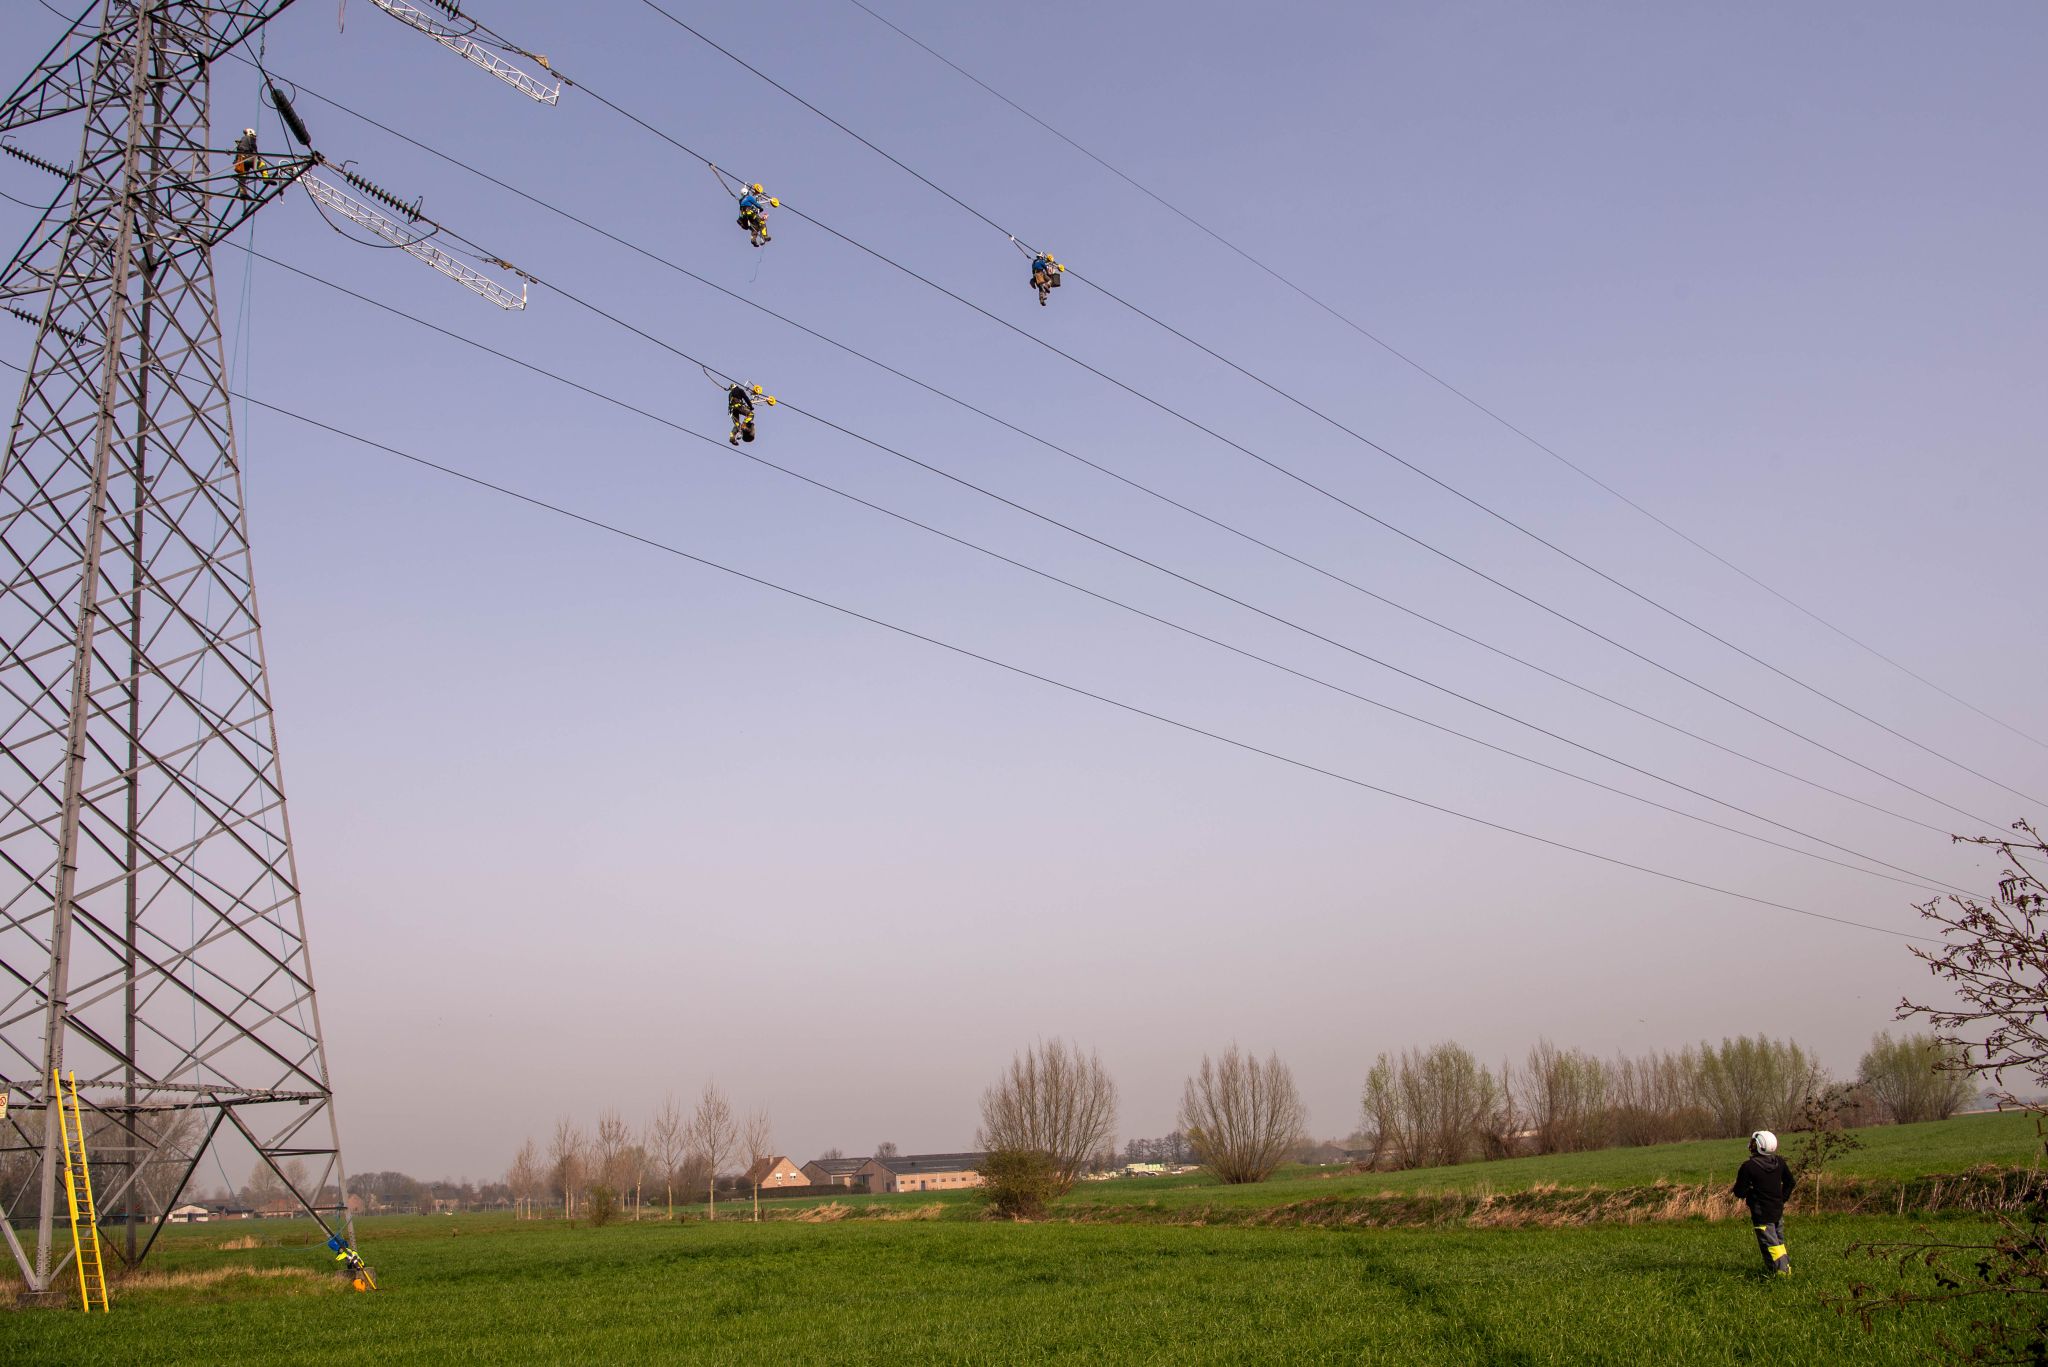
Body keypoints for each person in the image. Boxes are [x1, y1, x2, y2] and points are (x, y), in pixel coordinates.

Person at [1732, 1129, 1797, 1275]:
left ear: (1759, 1146)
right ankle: (1786, 1269)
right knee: (1779, 1243)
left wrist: (1750, 1192)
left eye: (1753, 1143)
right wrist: (1782, 1199)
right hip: (1777, 1210)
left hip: (1761, 1214)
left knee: (1770, 1246)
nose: (1751, 1144)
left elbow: (1739, 1192)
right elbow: (1790, 1182)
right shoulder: (1779, 1162)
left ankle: (1782, 1275)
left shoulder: (1748, 1167)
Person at [233, 128, 260, 197]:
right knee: (261, 164)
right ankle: (266, 177)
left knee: (243, 175)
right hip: (248, 158)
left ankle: (243, 192)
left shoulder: (241, 141)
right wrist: (258, 157)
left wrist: (235, 161)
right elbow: (253, 148)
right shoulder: (250, 139)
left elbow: (238, 152)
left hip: (241, 160)